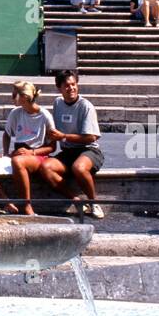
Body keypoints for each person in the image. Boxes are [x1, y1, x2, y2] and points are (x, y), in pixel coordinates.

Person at [0, 82, 66, 216]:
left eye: (14, 95)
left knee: (18, 162)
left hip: (37, 154)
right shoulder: (15, 113)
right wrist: (6, 153)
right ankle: (6, 202)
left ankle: (27, 205)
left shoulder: (44, 115)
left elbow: (52, 147)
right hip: (18, 152)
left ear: (24, 97)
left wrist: (31, 152)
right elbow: (7, 134)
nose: (12, 98)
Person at [50, 71, 104, 218]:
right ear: (59, 88)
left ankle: (94, 203)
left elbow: (91, 137)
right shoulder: (57, 103)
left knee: (78, 168)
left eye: (74, 84)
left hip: (89, 150)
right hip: (68, 151)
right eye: (67, 85)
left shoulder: (86, 106)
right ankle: (75, 199)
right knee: (45, 168)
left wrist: (64, 136)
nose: (71, 88)